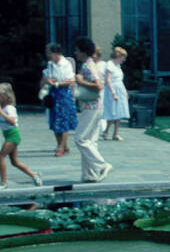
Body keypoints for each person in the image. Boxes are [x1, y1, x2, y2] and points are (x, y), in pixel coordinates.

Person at [73, 37, 113, 183]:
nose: (75, 52)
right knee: (90, 141)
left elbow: (99, 86)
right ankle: (90, 175)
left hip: (91, 107)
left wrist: (80, 81)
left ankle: (102, 165)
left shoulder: (87, 66)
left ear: (83, 51)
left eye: (77, 50)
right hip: (97, 107)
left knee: (80, 139)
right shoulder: (90, 64)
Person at [0, 84, 43, 189]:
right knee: (14, 162)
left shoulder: (9, 108)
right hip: (8, 135)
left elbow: (12, 121)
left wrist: (1, 113)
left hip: (13, 135)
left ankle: (3, 182)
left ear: (5, 97)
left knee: (0, 157)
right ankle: (34, 175)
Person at [44, 42, 77, 156]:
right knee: (54, 120)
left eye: (50, 53)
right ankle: (61, 144)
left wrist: (57, 83)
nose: (48, 55)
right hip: (53, 94)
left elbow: (70, 81)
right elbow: (46, 76)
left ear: (56, 53)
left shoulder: (65, 64)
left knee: (63, 121)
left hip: (64, 94)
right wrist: (48, 80)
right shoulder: (50, 64)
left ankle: (61, 147)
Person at [102, 47, 131, 140]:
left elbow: (120, 80)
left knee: (119, 112)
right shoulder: (110, 65)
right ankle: (106, 131)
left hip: (120, 89)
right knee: (112, 112)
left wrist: (125, 91)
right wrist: (113, 93)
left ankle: (115, 134)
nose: (124, 60)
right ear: (119, 56)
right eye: (123, 57)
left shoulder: (118, 65)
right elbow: (108, 80)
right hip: (112, 90)